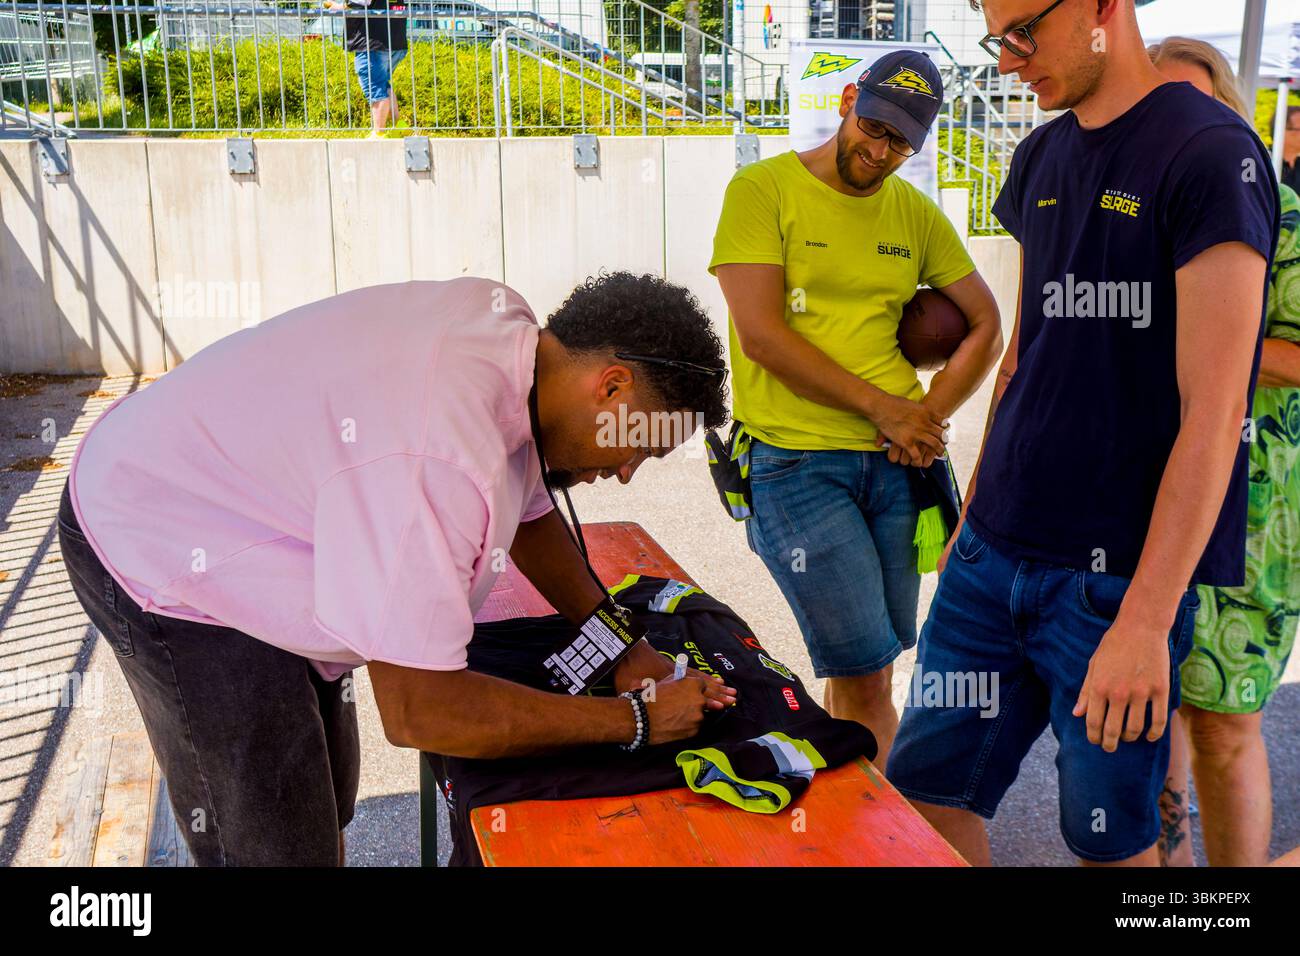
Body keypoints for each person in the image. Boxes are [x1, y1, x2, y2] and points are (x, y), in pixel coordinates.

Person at [58, 273, 737, 866]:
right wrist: (634, 721)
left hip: (244, 505)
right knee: (275, 845)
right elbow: (422, 711)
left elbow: (531, 512)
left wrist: (623, 645)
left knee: (323, 797)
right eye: (639, 446)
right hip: (159, 535)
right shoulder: (436, 461)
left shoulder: (512, 337)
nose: (626, 472)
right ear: (611, 385)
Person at [887, 0, 1279, 866]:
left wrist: (1145, 621)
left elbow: (1216, 413)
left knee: (1107, 845)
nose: (1007, 59)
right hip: (991, 555)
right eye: (996, 37)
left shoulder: (1212, 151)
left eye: (1023, 30)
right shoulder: (1040, 152)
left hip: (1115, 586)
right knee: (922, 802)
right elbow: (1025, 355)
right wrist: (973, 512)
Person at [709, 49, 1003, 767]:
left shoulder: (915, 213)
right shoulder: (763, 189)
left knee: (869, 665)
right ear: (847, 101)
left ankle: (850, 806)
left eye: (901, 142)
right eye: (873, 127)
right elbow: (762, 336)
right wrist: (886, 410)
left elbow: (987, 324)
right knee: (868, 676)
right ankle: (897, 820)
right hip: (797, 463)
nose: (880, 151)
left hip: (898, 464)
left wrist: (926, 416)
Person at [1149, 37, 1300, 868]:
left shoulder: (1284, 214)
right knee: (1150, 711)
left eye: (1197, 106)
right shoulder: (1127, 211)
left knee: (1224, 722)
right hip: (1139, 498)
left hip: (1251, 507)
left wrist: (1204, 328)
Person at [326, 0, 409, 137]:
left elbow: (358, 3)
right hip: (396, 40)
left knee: (375, 88)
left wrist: (337, 6)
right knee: (382, 84)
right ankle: (399, 125)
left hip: (372, 42)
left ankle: (378, 134)